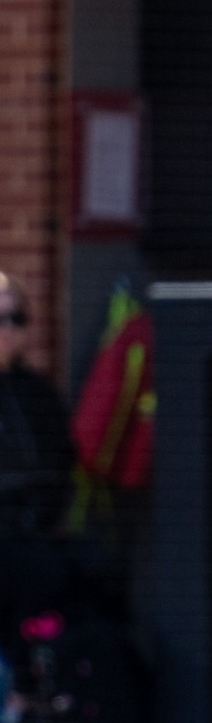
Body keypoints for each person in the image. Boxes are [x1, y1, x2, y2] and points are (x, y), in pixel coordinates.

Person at [0, 270, 77, 686]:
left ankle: (28, 696)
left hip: (31, 537)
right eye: (0, 320)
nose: (9, 331)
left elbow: (61, 467)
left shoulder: (37, 393)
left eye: (17, 319)